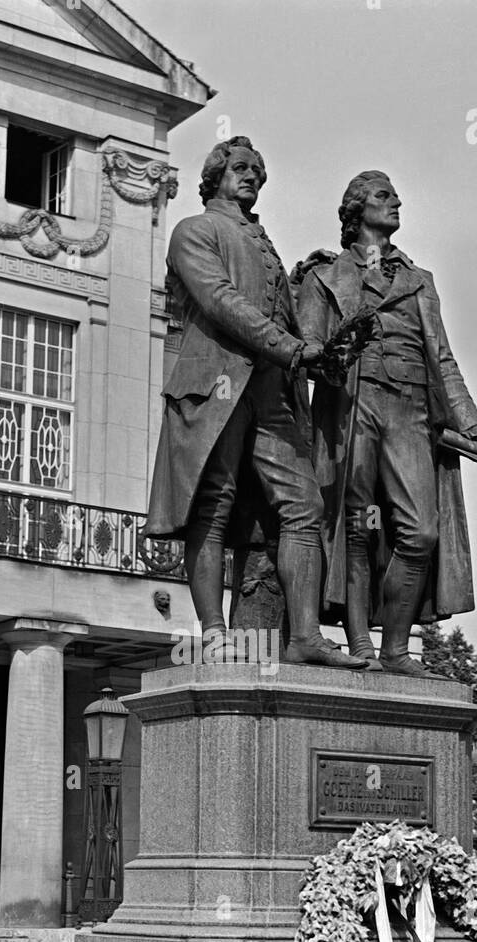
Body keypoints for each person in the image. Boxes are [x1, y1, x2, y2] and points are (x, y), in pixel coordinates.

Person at [143, 137, 365, 668]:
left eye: (257, 172)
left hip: (270, 391)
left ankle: (305, 637)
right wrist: (294, 350)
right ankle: (215, 632)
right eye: (240, 168)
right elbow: (222, 302)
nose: (251, 177)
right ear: (215, 176)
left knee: (303, 506)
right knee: (212, 508)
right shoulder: (194, 231)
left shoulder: (265, 244)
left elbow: (284, 316)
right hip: (214, 385)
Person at [296, 170, 477, 676]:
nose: (397, 202)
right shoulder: (326, 275)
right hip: (354, 402)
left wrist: (473, 425)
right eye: (384, 196)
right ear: (355, 208)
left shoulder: (420, 281)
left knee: (420, 533)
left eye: (394, 195)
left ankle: (395, 648)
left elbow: (444, 358)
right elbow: (305, 350)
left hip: (410, 409)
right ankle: (362, 645)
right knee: (358, 526)